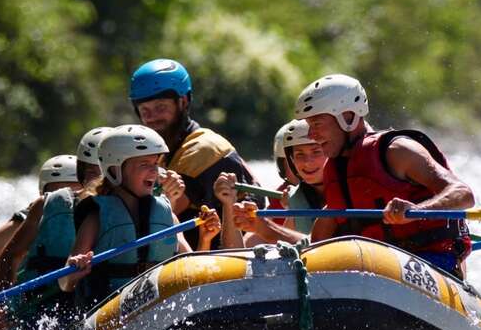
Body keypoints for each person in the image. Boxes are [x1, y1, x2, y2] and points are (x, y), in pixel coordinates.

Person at [294, 74, 474, 278]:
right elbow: (320, 238)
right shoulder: (333, 170)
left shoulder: (397, 151)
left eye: (317, 124)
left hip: (431, 263)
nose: (311, 135)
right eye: (309, 125)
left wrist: (417, 210)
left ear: (348, 117)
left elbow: (463, 193)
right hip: (373, 269)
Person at [0, 128, 111, 330]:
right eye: (93, 171)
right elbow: (9, 258)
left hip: (101, 306)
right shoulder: (47, 206)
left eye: (106, 172)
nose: (100, 179)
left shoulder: (140, 207)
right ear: (81, 173)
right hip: (46, 311)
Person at [58, 125, 221, 304]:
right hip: (109, 309)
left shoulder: (167, 215)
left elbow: (193, 268)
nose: (154, 171)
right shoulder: (97, 217)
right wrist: (75, 268)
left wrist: (205, 239)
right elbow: (64, 283)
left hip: (159, 307)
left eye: (155, 164)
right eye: (144, 164)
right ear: (115, 170)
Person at [129, 58, 257, 246]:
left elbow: (163, 211)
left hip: (228, 257)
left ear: (183, 101)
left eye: (160, 107)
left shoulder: (205, 148)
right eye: (145, 111)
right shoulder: (164, 149)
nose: (153, 118)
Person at [0, 152, 96, 295]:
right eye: (55, 193)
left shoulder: (97, 213)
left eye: (71, 191)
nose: (63, 201)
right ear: (42, 194)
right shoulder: (26, 221)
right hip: (34, 304)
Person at [217, 119, 327, 246]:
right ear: (291, 161)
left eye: (316, 152)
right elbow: (241, 251)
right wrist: (229, 204)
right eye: (299, 154)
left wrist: (264, 228)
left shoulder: (345, 187)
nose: (308, 162)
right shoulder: (297, 198)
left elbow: (324, 245)